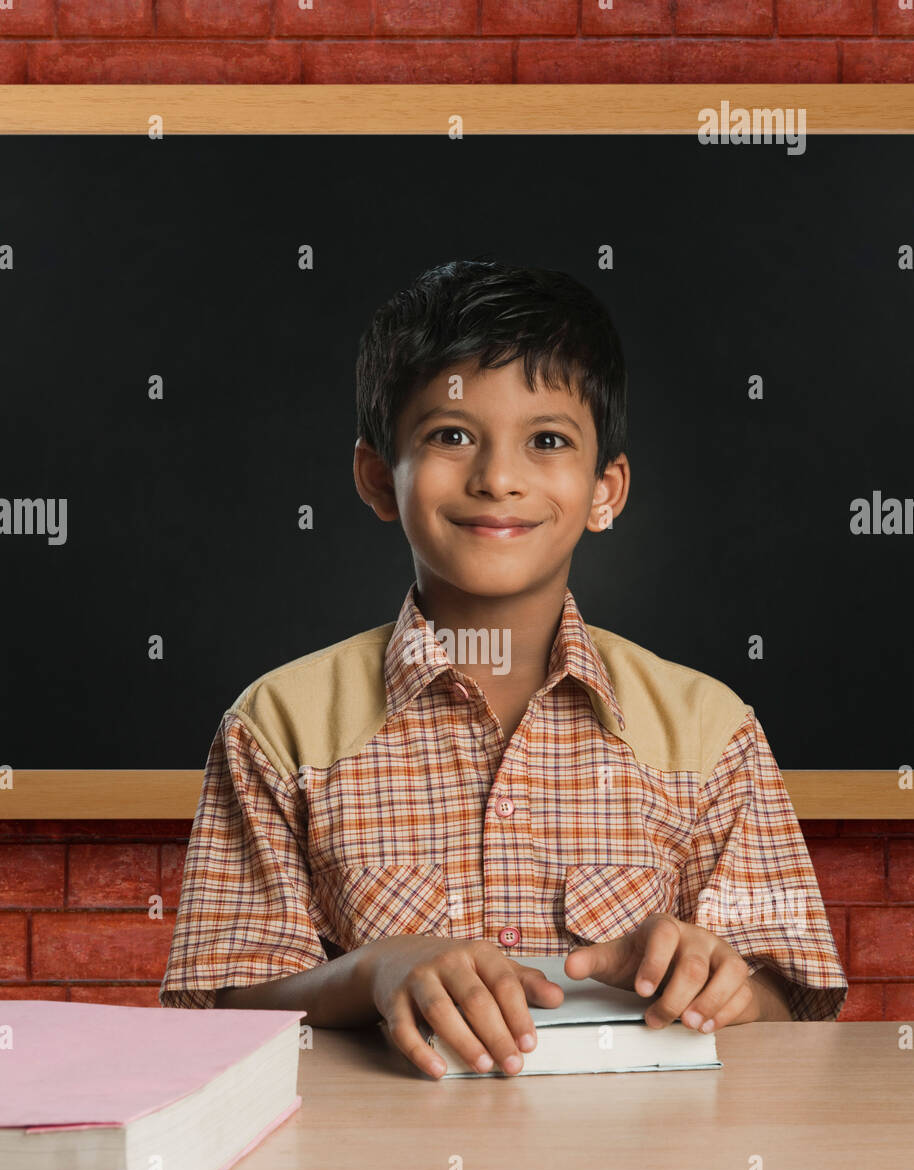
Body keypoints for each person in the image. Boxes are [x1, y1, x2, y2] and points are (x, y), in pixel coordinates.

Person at [158, 260, 847, 1077]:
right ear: (379, 478)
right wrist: (373, 970)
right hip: (371, 1168)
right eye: (450, 436)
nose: (497, 478)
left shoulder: (707, 728)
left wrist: (723, 983)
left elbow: (792, 998)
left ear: (605, 490)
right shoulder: (278, 724)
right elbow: (220, 1006)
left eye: (547, 440)